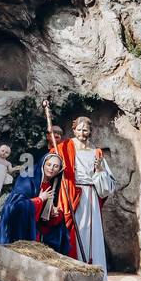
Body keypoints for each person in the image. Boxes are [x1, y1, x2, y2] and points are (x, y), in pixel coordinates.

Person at [51, 111, 113, 269]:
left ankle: (94, 269)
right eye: (79, 129)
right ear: (74, 130)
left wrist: (99, 170)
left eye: (85, 130)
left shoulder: (96, 152)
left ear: (90, 131)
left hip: (91, 195)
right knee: (74, 229)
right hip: (72, 193)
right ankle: (74, 266)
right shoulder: (64, 147)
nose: (82, 133)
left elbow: (107, 184)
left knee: (92, 233)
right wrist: (59, 168)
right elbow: (51, 162)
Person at [0, 152, 69, 255]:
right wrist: (40, 199)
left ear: (59, 169)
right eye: (49, 164)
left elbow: (45, 217)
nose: (51, 168)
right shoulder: (28, 178)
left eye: (56, 166)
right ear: (43, 163)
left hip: (36, 230)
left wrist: (53, 213)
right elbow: (16, 206)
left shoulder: (54, 185)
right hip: (20, 228)